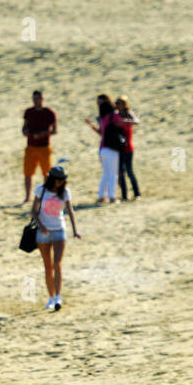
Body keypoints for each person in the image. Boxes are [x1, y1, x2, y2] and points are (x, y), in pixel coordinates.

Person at [31, 165, 80, 311]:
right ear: (52, 179)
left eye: (62, 180)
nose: (60, 183)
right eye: (58, 180)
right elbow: (33, 211)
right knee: (47, 266)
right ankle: (51, 297)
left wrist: (75, 230)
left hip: (59, 230)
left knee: (57, 264)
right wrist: (41, 225)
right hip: (43, 232)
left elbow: (70, 211)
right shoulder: (41, 190)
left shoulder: (65, 192)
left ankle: (58, 296)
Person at [22, 90, 57, 203]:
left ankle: (47, 195)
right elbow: (24, 127)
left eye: (39, 98)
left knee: (46, 173)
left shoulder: (49, 112)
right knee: (28, 173)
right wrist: (25, 132)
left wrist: (43, 134)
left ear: (43, 99)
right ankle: (28, 197)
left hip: (44, 147)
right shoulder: (29, 112)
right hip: (30, 146)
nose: (37, 101)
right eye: (35, 99)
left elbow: (55, 131)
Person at [84, 94, 121, 204]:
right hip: (111, 148)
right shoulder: (113, 116)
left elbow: (101, 133)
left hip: (102, 148)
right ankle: (112, 197)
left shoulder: (103, 119)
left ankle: (101, 196)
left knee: (106, 173)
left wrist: (92, 125)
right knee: (113, 174)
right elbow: (122, 122)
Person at [114, 95, 141, 201]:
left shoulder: (129, 114)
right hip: (119, 147)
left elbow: (136, 121)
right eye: (116, 103)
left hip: (128, 147)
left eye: (119, 103)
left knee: (129, 171)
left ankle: (137, 193)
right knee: (121, 172)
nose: (117, 105)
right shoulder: (116, 115)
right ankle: (124, 195)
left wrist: (124, 121)